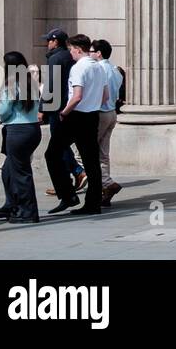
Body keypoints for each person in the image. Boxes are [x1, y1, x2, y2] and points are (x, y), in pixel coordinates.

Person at [45, 34, 107, 214]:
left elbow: (77, 96)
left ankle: (67, 193)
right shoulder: (99, 67)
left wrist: (64, 112)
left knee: (52, 154)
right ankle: (93, 203)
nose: (70, 53)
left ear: (78, 49)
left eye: (71, 49)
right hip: (92, 116)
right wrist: (93, 104)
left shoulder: (79, 68)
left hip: (76, 116)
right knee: (92, 162)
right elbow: (106, 97)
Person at [40, 27, 85, 199]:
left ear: (55, 41)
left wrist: (41, 109)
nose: (47, 44)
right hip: (67, 105)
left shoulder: (56, 58)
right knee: (61, 143)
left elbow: (50, 86)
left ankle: (76, 173)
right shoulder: (69, 57)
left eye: (48, 40)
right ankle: (74, 175)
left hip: (56, 107)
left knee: (57, 146)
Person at [0, 52, 41, 224]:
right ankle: (13, 204)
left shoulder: (11, 84)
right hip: (32, 129)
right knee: (9, 170)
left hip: (17, 131)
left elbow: (4, 110)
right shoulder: (31, 82)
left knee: (21, 173)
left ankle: (27, 212)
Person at [89, 39, 124, 207]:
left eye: (91, 51)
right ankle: (106, 189)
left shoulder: (98, 69)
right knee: (103, 153)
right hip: (112, 113)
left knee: (85, 151)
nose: (89, 54)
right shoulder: (116, 70)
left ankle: (106, 183)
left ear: (99, 53)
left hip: (101, 112)